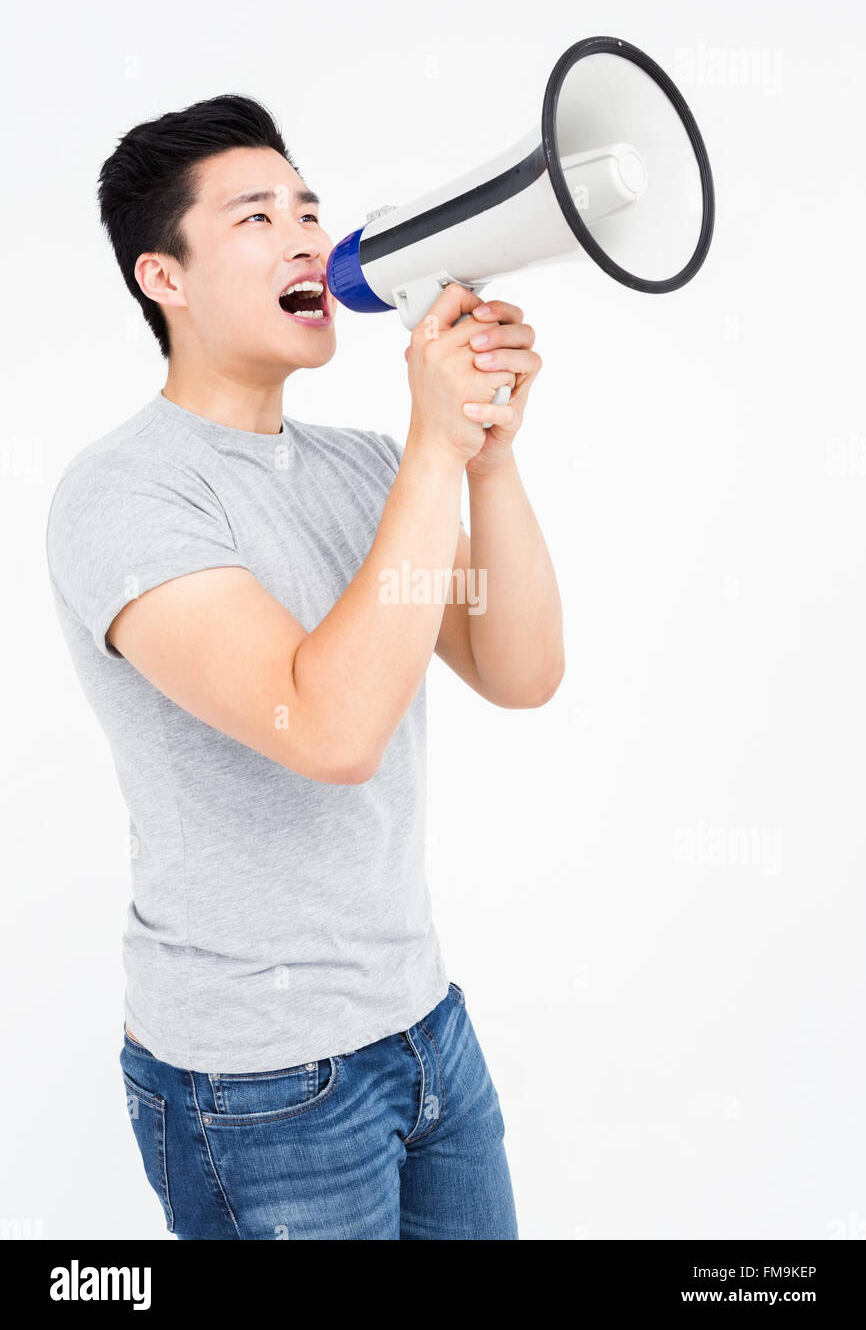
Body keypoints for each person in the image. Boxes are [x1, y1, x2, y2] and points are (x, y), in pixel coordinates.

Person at [45, 94, 564, 1240]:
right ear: (162, 279)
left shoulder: (374, 469)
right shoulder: (123, 495)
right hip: (258, 1084)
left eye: (309, 208)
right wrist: (434, 449)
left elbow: (519, 667)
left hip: (425, 1025)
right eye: (253, 215)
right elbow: (327, 729)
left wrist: (484, 458)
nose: (305, 237)